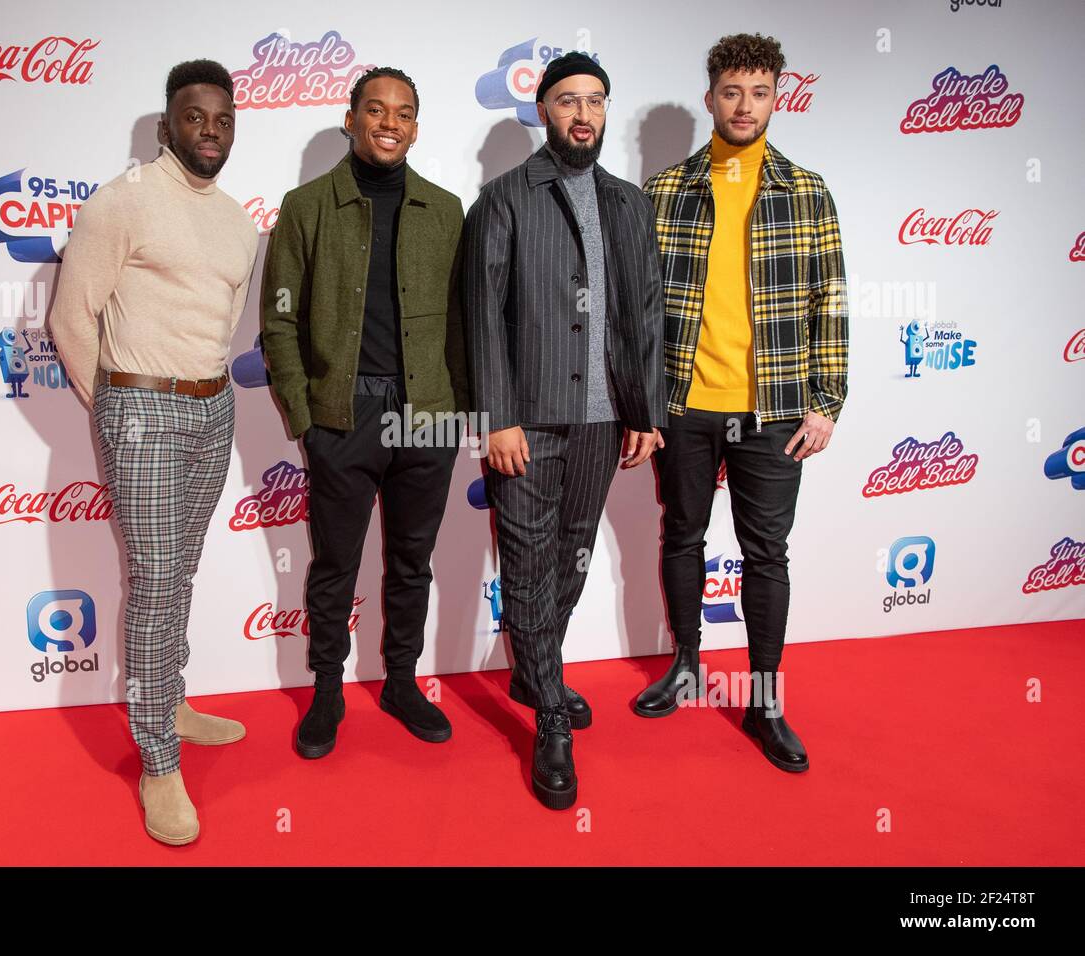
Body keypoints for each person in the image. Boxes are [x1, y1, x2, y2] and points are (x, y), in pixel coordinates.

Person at [49, 59, 258, 843]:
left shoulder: (240, 223)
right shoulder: (121, 202)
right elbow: (72, 320)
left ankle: (168, 699)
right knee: (157, 575)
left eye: (224, 120)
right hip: (140, 406)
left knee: (183, 570)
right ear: (166, 126)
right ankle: (158, 759)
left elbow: (223, 322)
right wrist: (116, 409)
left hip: (214, 410)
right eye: (195, 117)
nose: (211, 131)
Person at [638, 33, 848, 773]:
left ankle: (764, 701)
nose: (745, 105)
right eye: (732, 91)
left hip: (776, 409)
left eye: (760, 91)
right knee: (682, 536)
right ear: (711, 98)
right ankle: (687, 664)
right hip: (685, 406)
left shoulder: (806, 189)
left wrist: (826, 402)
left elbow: (832, 300)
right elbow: (641, 310)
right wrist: (645, 404)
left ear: (777, 96)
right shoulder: (665, 191)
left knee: (767, 555)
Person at [463, 51, 666, 810]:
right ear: (542, 112)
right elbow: (481, 315)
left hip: (602, 419)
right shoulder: (505, 199)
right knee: (524, 557)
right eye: (568, 101)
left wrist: (646, 410)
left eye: (596, 101)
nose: (583, 114)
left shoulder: (627, 202)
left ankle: (531, 669)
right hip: (530, 421)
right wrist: (498, 418)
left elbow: (645, 312)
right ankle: (549, 711)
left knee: (572, 553)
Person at [261, 67, 469, 759]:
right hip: (342, 415)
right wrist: (305, 415)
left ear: (415, 126)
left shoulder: (445, 211)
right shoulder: (306, 206)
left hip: (427, 416)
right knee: (334, 565)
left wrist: (458, 413)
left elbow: (466, 325)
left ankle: (402, 682)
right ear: (351, 120)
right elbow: (279, 321)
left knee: (413, 562)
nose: (389, 122)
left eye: (404, 113)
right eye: (375, 110)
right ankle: (326, 689)